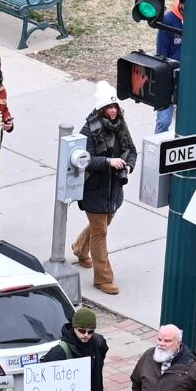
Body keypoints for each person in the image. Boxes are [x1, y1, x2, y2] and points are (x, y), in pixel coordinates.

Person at [70, 81, 136, 296]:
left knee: (101, 226)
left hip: (114, 191)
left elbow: (132, 150)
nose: (113, 111)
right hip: (94, 190)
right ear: (101, 110)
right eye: (109, 107)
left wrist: (128, 164)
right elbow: (84, 160)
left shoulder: (121, 128)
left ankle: (80, 248)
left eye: (115, 107)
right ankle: (103, 279)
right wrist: (108, 162)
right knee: (100, 233)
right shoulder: (88, 130)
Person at [154, 0, 185, 133]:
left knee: (187, 120)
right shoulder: (168, 20)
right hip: (170, 76)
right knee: (164, 120)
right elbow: (161, 53)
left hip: (190, 77)